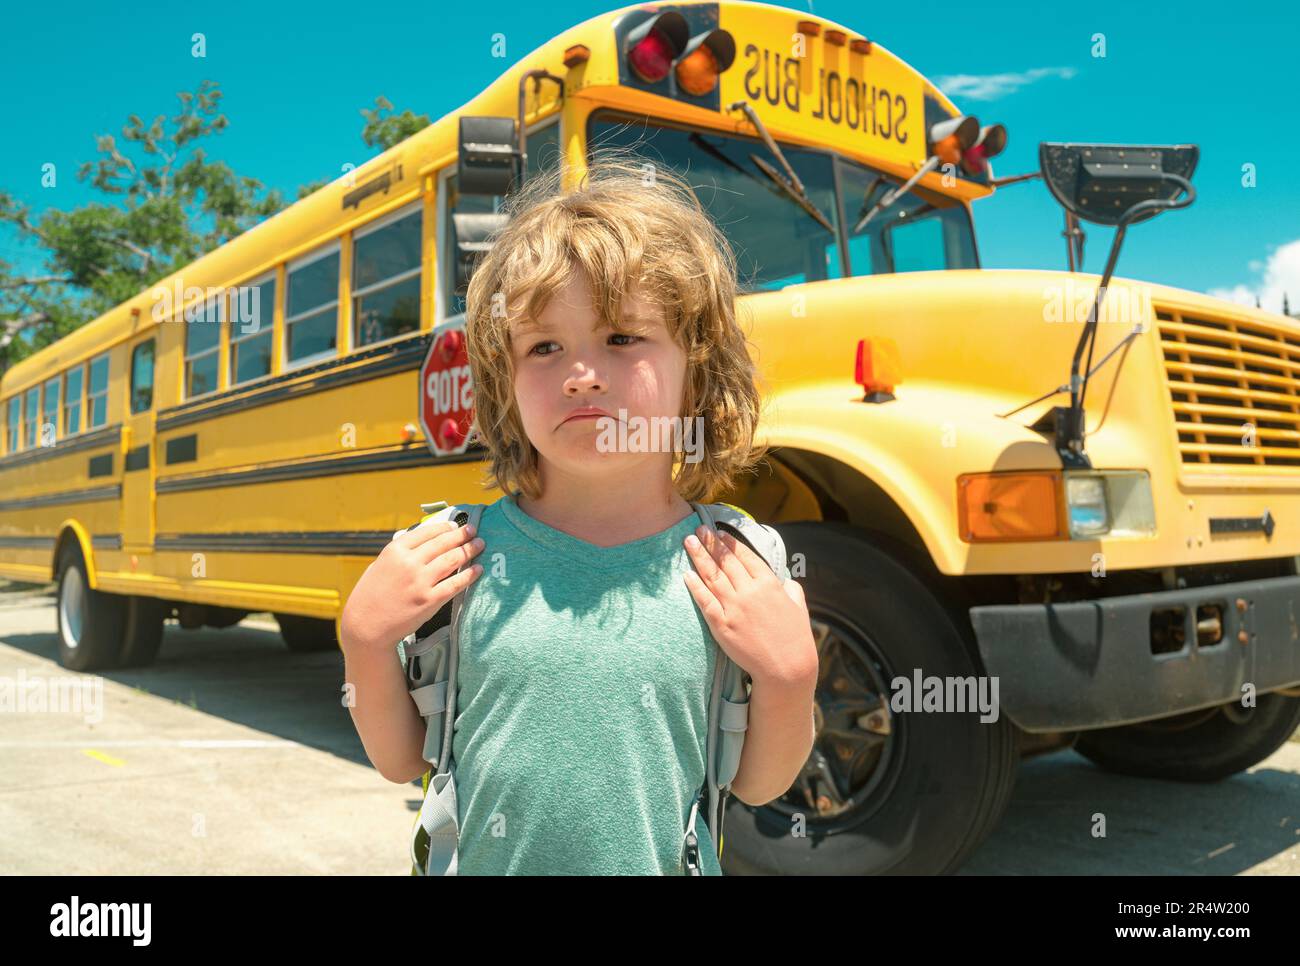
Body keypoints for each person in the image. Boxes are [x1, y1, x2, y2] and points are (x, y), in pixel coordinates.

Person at [340, 152, 819, 875]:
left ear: (700, 368)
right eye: (544, 347)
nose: (581, 373)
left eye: (623, 337)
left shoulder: (733, 567)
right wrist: (363, 641)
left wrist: (791, 675)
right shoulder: (455, 557)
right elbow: (402, 759)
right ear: (505, 384)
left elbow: (757, 783)